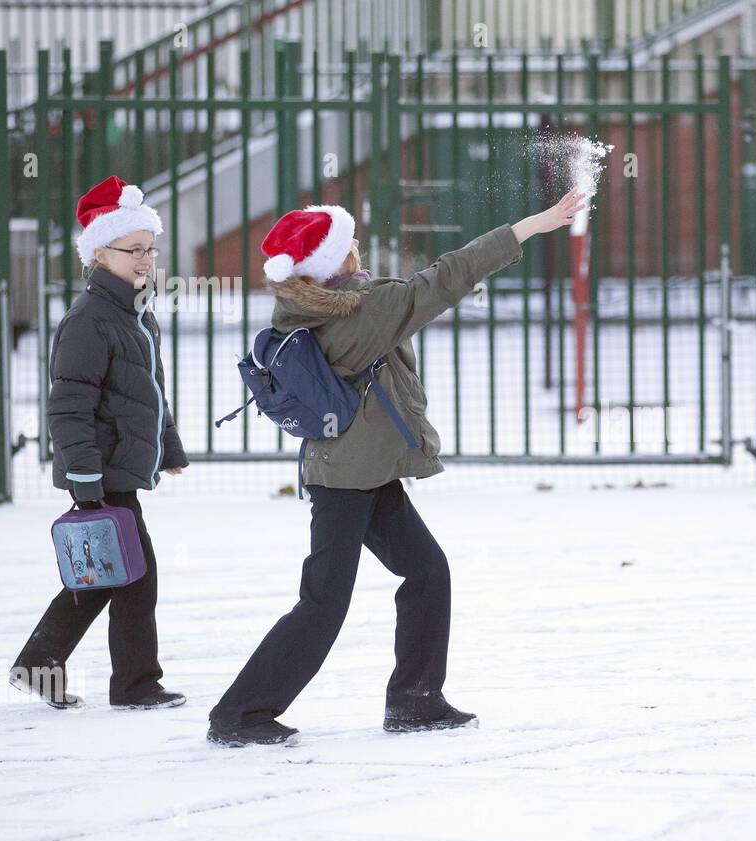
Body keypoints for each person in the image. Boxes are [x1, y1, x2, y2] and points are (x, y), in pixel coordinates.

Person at [208, 188, 586, 746]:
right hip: (345, 481)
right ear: (329, 264)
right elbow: (446, 278)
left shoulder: (311, 304)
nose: (357, 244)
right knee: (323, 603)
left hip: (364, 471)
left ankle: (415, 700)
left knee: (428, 572)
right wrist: (528, 227)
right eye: (346, 242)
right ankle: (239, 714)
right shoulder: (364, 314)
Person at [11, 175, 189, 710]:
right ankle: (136, 685)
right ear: (99, 252)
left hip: (115, 469)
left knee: (106, 574)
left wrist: (170, 446)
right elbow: (68, 408)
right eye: (133, 250)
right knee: (133, 574)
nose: (145, 260)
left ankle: (39, 666)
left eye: (150, 249)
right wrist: (85, 474)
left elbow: (149, 393)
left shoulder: (136, 315)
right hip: (101, 471)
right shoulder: (88, 321)